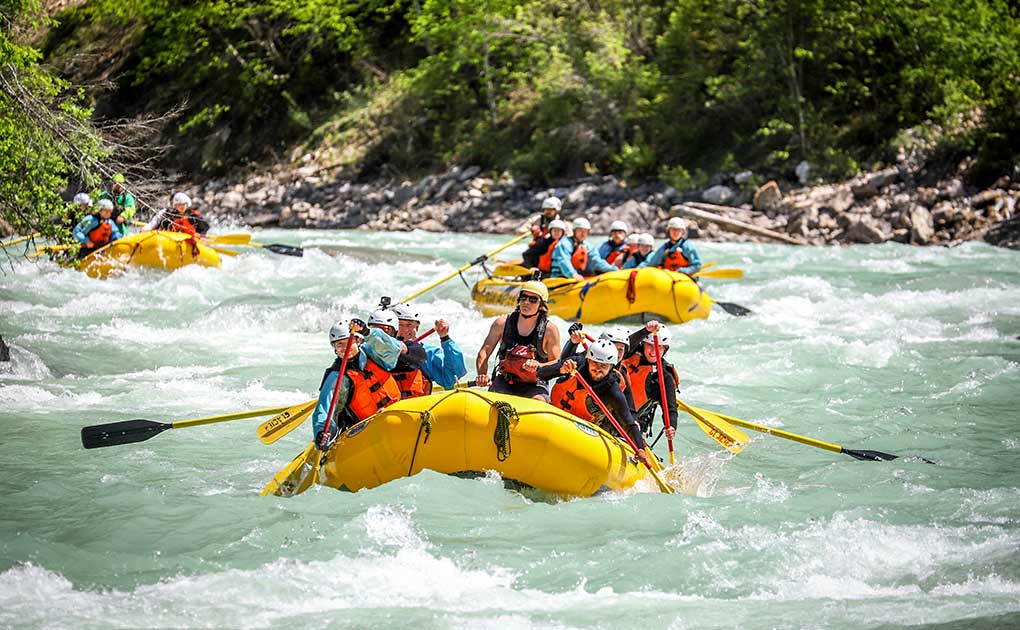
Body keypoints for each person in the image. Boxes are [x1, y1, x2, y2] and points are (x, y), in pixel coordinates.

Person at [545, 339, 651, 467]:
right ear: (588, 360)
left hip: (581, 429)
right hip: (554, 415)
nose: (598, 369)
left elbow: (628, 422)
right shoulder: (575, 364)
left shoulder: (612, 390)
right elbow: (541, 374)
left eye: (604, 366)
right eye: (595, 363)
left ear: (611, 367)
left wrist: (640, 448)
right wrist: (560, 370)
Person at [311, 319, 403, 448]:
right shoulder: (336, 377)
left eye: (349, 342)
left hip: (397, 413)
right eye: (339, 344)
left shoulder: (372, 353)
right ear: (334, 347)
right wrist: (321, 433)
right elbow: (325, 409)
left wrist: (367, 332)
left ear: (358, 341)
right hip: (367, 430)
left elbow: (394, 349)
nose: (345, 348)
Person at [475, 281, 561, 400]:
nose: (526, 302)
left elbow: (557, 362)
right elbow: (484, 353)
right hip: (505, 381)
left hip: (535, 384)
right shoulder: (501, 324)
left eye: (533, 299)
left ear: (541, 305)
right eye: (523, 297)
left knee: (539, 400)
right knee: (497, 399)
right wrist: (482, 375)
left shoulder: (550, 330)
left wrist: (539, 365)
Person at [620, 321, 680, 440]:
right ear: (643, 344)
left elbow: (670, 408)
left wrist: (672, 426)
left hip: (634, 422)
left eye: (659, 347)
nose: (653, 351)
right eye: (650, 345)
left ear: (665, 349)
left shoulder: (664, 377)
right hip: (607, 410)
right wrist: (645, 331)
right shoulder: (628, 353)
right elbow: (623, 343)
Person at [389, 303, 467, 390]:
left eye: (409, 325)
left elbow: (450, 378)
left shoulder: (426, 354)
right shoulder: (380, 352)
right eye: (400, 325)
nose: (405, 330)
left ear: (417, 328)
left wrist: (445, 338)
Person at [367, 308, 430, 399]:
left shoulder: (413, 348)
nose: (378, 335)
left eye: (385, 329)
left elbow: (416, 357)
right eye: (374, 329)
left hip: (413, 403)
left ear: (395, 332)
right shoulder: (364, 351)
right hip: (382, 404)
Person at [549, 218, 617, 280]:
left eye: (585, 231)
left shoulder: (588, 246)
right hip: (560, 277)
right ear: (574, 231)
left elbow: (597, 261)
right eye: (580, 230)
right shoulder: (564, 243)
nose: (583, 233)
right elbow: (563, 261)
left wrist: (613, 269)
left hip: (578, 277)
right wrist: (573, 274)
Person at [143, 192, 210, 235]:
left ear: (187, 204)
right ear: (175, 206)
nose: (181, 207)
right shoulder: (168, 215)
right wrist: (146, 229)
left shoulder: (194, 216)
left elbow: (204, 230)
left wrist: (200, 236)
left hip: (188, 243)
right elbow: (155, 226)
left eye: (183, 204)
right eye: (179, 205)